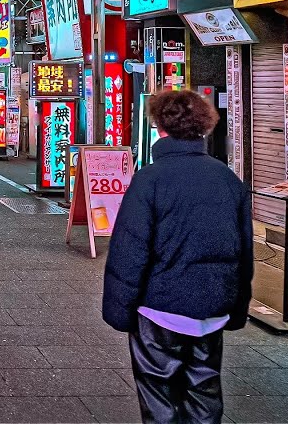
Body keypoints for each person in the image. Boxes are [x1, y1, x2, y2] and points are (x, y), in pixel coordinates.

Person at [102, 90, 252, 424]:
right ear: (204, 127)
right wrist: (238, 307)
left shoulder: (150, 180)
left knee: (158, 398)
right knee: (204, 395)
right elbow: (244, 252)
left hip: (159, 310)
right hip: (212, 311)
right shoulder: (227, 179)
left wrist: (119, 311)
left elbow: (130, 251)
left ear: (160, 127)